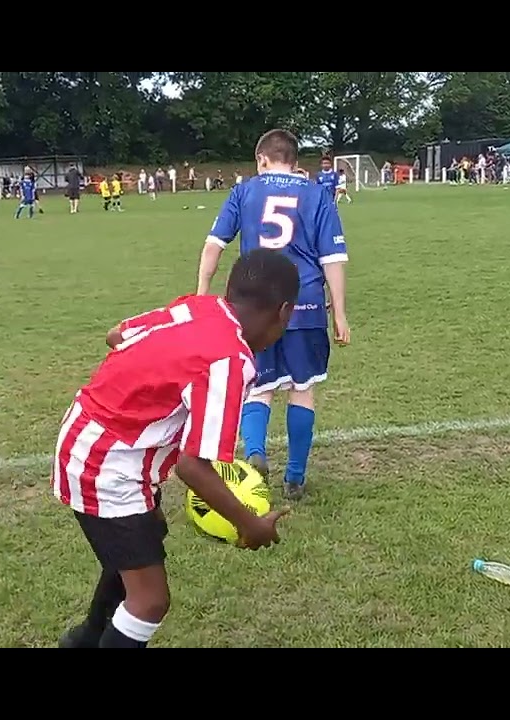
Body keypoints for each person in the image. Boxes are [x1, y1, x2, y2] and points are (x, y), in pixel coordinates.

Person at [55, 248, 299, 649]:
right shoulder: (232, 361)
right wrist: (248, 523)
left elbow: (117, 335)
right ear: (284, 311)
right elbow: (193, 466)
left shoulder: (199, 307)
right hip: (107, 464)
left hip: (85, 434)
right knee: (149, 601)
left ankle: (83, 641)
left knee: (146, 537)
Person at [195, 128, 350, 501]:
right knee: (303, 389)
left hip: (253, 308)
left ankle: (255, 454)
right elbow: (332, 259)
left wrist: (201, 296)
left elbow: (213, 247)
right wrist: (340, 312)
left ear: (262, 159)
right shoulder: (317, 194)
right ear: (295, 161)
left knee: (257, 387)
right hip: (304, 302)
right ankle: (294, 478)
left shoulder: (244, 191)